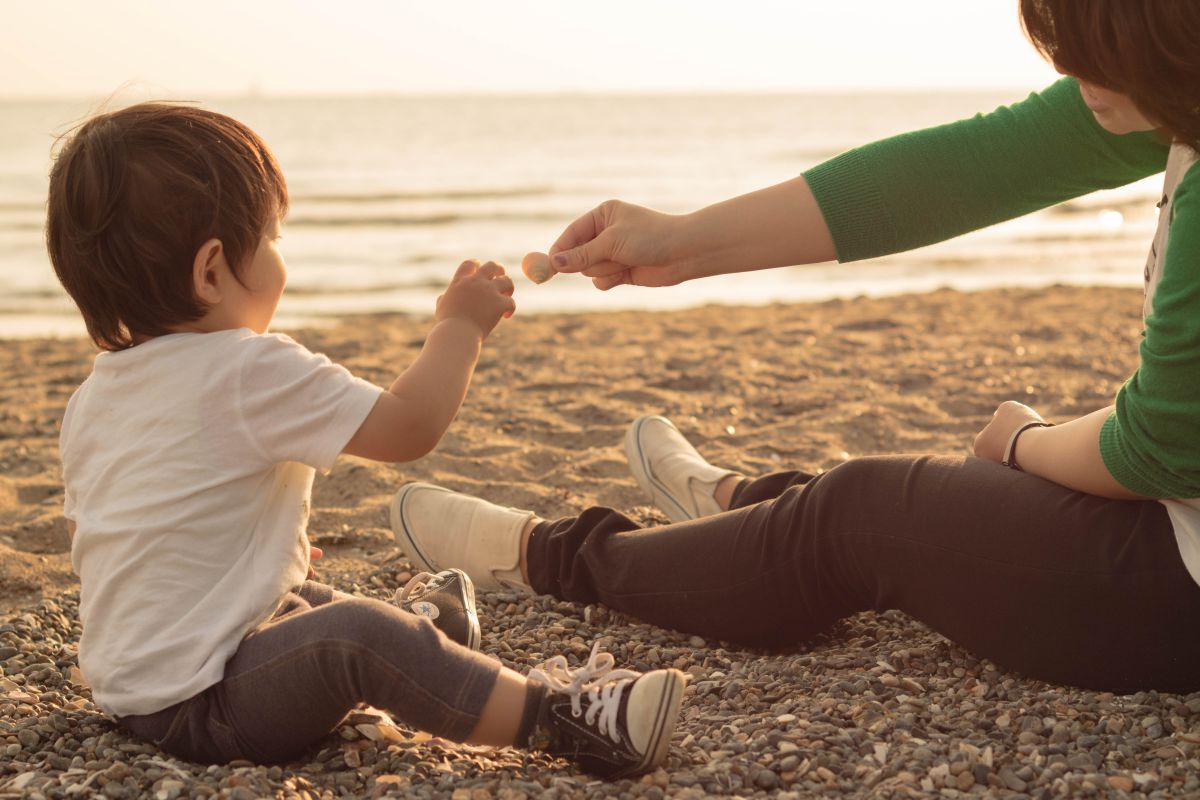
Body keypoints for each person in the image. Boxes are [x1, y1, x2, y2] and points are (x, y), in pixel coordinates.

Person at [389, 0, 1200, 694]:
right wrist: (681, 243)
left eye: (1098, 44)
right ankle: (743, 505)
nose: (1075, 67)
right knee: (897, 504)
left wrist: (1022, 442)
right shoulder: (1174, 89)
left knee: (862, 511)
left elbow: (1156, 451)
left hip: (1176, 591)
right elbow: (958, 173)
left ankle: (545, 558)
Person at [46, 102, 685, 776]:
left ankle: (427, 641)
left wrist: (246, 553)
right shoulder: (244, 367)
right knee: (357, 637)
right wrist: (459, 330)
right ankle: (562, 719)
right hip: (211, 703)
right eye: (271, 238)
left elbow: (119, 532)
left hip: (133, 691)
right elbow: (409, 426)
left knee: (316, 603)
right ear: (211, 272)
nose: (278, 256)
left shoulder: (94, 396)